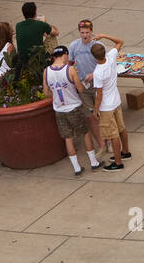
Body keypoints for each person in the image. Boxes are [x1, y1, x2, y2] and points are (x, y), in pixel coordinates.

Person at [44, 45, 100, 175]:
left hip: (59, 109)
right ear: (65, 55)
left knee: (68, 138)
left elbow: (46, 92)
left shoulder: (46, 71)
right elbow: (80, 89)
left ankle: (76, 168)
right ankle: (93, 162)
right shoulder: (70, 70)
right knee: (85, 133)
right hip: (74, 106)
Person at [90, 33, 128, 170]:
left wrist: (95, 110)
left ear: (93, 57)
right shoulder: (111, 57)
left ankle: (118, 163)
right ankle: (125, 152)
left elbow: (99, 95)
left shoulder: (98, 73)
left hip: (106, 107)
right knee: (121, 128)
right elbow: (120, 41)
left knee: (113, 135)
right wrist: (103, 35)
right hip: (116, 100)